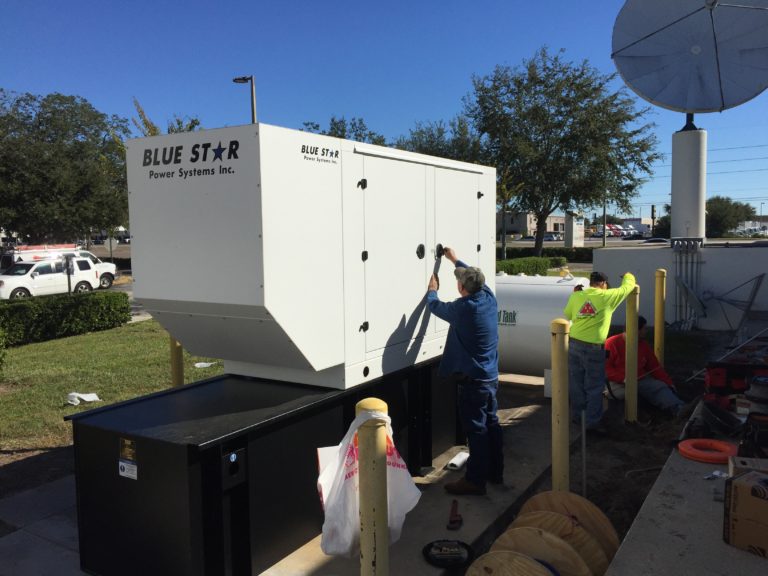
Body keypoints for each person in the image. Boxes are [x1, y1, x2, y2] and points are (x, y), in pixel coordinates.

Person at [427, 247, 502, 496]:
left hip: (475, 382)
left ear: (462, 288)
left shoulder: (464, 308)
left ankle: (475, 481)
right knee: (491, 425)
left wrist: (432, 289)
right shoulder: (488, 296)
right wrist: (454, 259)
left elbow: (435, 307)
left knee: (476, 431)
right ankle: (495, 472)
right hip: (490, 378)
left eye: (459, 281)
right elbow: (473, 277)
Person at [563, 270, 636, 434]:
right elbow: (628, 287)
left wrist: (580, 300)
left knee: (576, 385)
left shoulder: (577, 295)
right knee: (594, 387)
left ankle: (578, 417)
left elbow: (568, 314)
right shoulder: (607, 297)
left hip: (573, 345)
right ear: (603, 284)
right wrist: (628, 275)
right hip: (594, 349)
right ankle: (591, 423)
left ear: (590, 282)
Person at [605, 315, 684, 417]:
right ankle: (628, 417)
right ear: (636, 330)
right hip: (617, 382)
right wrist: (623, 378)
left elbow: (654, 367)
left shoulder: (643, 345)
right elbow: (605, 368)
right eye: (644, 328)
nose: (646, 331)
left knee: (659, 387)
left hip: (639, 379)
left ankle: (679, 409)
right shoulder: (612, 343)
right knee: (624, 395)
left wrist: (668, 383)